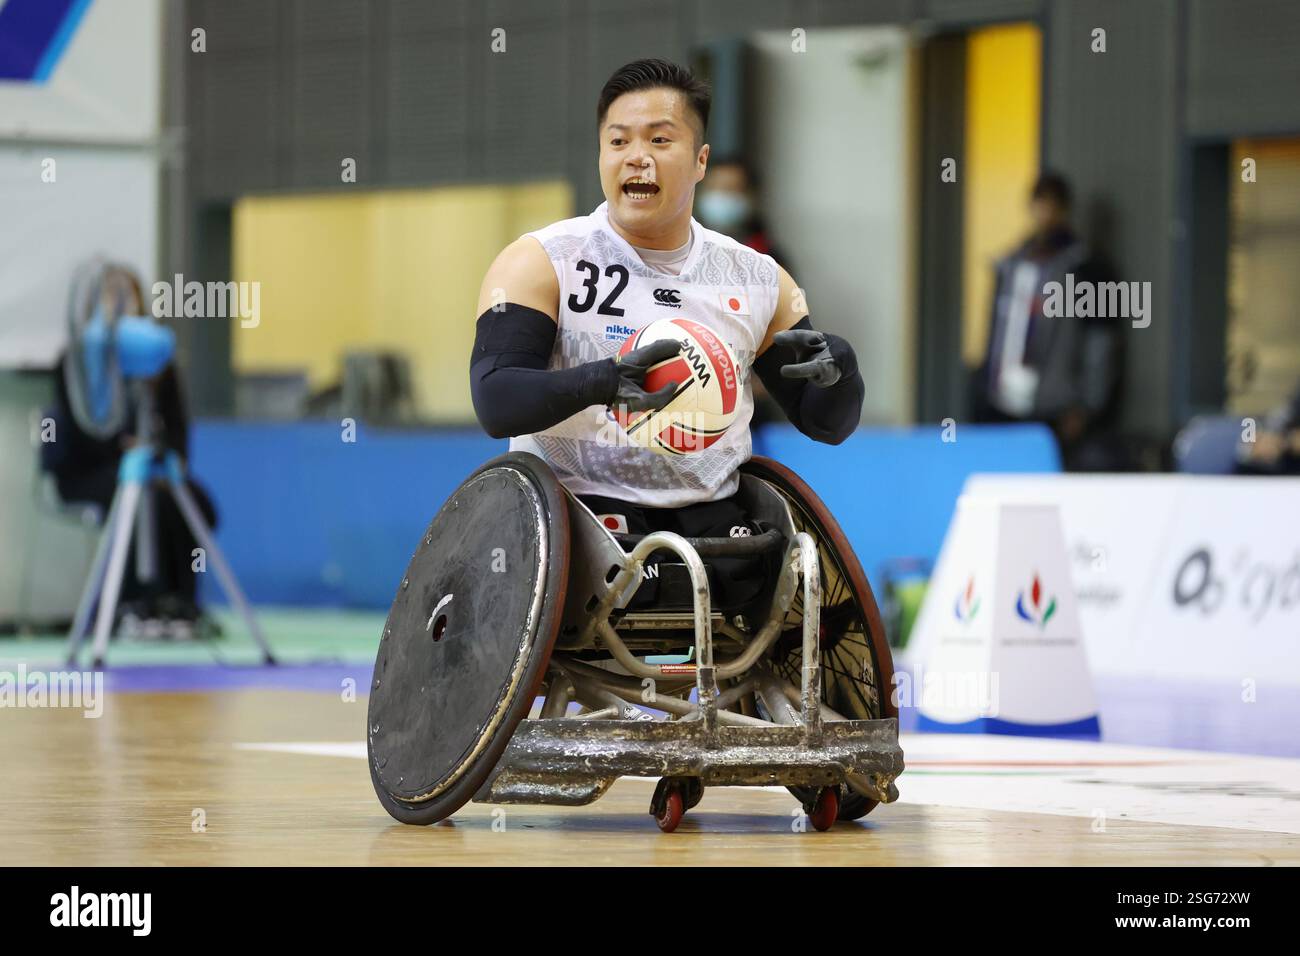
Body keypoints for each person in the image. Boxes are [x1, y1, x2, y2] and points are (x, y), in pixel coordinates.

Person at [469, 58, 864, 610]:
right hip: (578, 525)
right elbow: (495, 400)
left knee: (788, 580)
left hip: (713, 529)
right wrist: (601, 381)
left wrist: (843, 373)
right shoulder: (540, 260)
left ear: (701, 161)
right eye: (619, 140)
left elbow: (826, 423)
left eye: (659, 139)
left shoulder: (759, 277)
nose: (637, 156)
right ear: (602, 155)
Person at [41, 273, 219, 639]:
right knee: (141, 504)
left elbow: (176, 428)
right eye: (112, 298)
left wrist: (163, 452)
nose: (121, 307)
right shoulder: (75, 361)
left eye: (128, 298)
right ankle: (130, 604)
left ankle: (178, 604)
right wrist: (120, 446)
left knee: (190, 501)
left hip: (151, 467)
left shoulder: (159, 363)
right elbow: (77, 428)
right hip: (91, 469)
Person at [972, 172, 1123, 470]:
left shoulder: (1086, 267)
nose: (1045, 213)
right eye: (1039, 204)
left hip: (1058, 406)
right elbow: (997, 332)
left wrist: (1086, 405)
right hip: (1005, 402)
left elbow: (1101, 344)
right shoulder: (1013, 263)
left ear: (1065, 209)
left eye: (1052, 205)